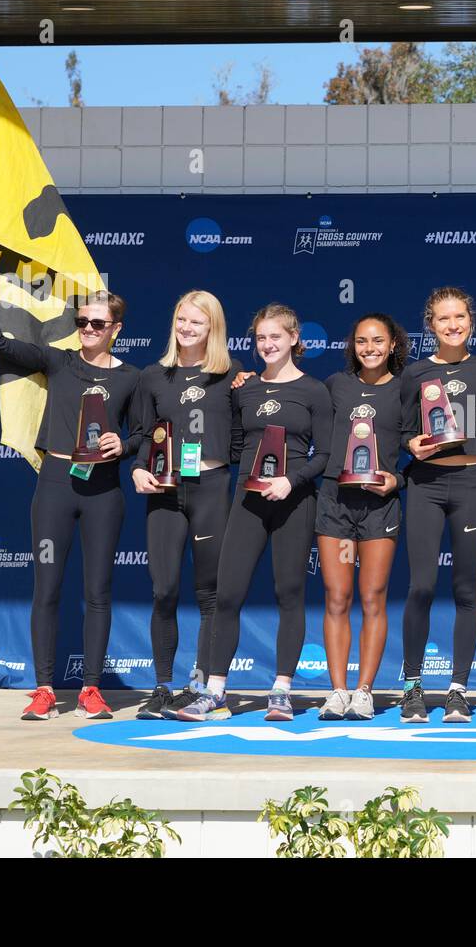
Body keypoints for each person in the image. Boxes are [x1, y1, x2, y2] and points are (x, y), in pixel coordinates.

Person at [0, 245, 140, 722]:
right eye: (82, 322)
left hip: (103, 491)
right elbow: (0, 345)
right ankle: (44, 689)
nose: (87, 330)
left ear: (115, 329)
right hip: (56, 485)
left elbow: (147, 433)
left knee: (98, 591)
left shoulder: (132, 378)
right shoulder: (58, 360)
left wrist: (122, 445)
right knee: (47, 587)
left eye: (98, 324)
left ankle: (90, 690)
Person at [175, 304, 332, 722]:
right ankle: (215, 691)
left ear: (295, 339)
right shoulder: (243, 389)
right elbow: (236, 444)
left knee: (289, 594)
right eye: (261, 338)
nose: (268, 345)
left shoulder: (315, 391)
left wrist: (292, 480)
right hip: (247, 502)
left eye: (276, 337)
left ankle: (281, 690)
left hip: (293, 502)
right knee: (226, 595)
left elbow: (328, 455)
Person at [128, 291, 241, 720]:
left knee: (210, 594)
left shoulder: (232, 375)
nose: (187, 328)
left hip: (212, 486)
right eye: (181, 320)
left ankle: (205, 686)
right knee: (163, 590)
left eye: (196, 322)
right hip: (165, 490)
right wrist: (139, 469)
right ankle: (161, 686)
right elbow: (143, 435)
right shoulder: (153, 376)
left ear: (213, 327)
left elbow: (243, 436)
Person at [398, 287, 476, 723]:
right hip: (426, 483)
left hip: (471, 482)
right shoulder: (416, 373)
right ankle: (412, 687)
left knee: (466, 588)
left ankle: (458, 689)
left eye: (460, 316)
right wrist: (412, 444)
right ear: (431, 325)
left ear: (471, 322)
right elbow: (403, 430)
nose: (452, 324)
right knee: (421, 586)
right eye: (443, 319)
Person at [315, 313, 409, 721]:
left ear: (392, 345)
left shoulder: (406, 390)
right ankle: (337, 692)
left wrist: (397, 480)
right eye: (360, 342)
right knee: (338, 597)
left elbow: (421, 449)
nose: (369, 349)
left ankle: (365, 691)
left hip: (378, 506)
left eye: (377, 341)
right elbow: (296, 409)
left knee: (373, 598)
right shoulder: (336, 386)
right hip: (336, 503)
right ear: (352, 346)